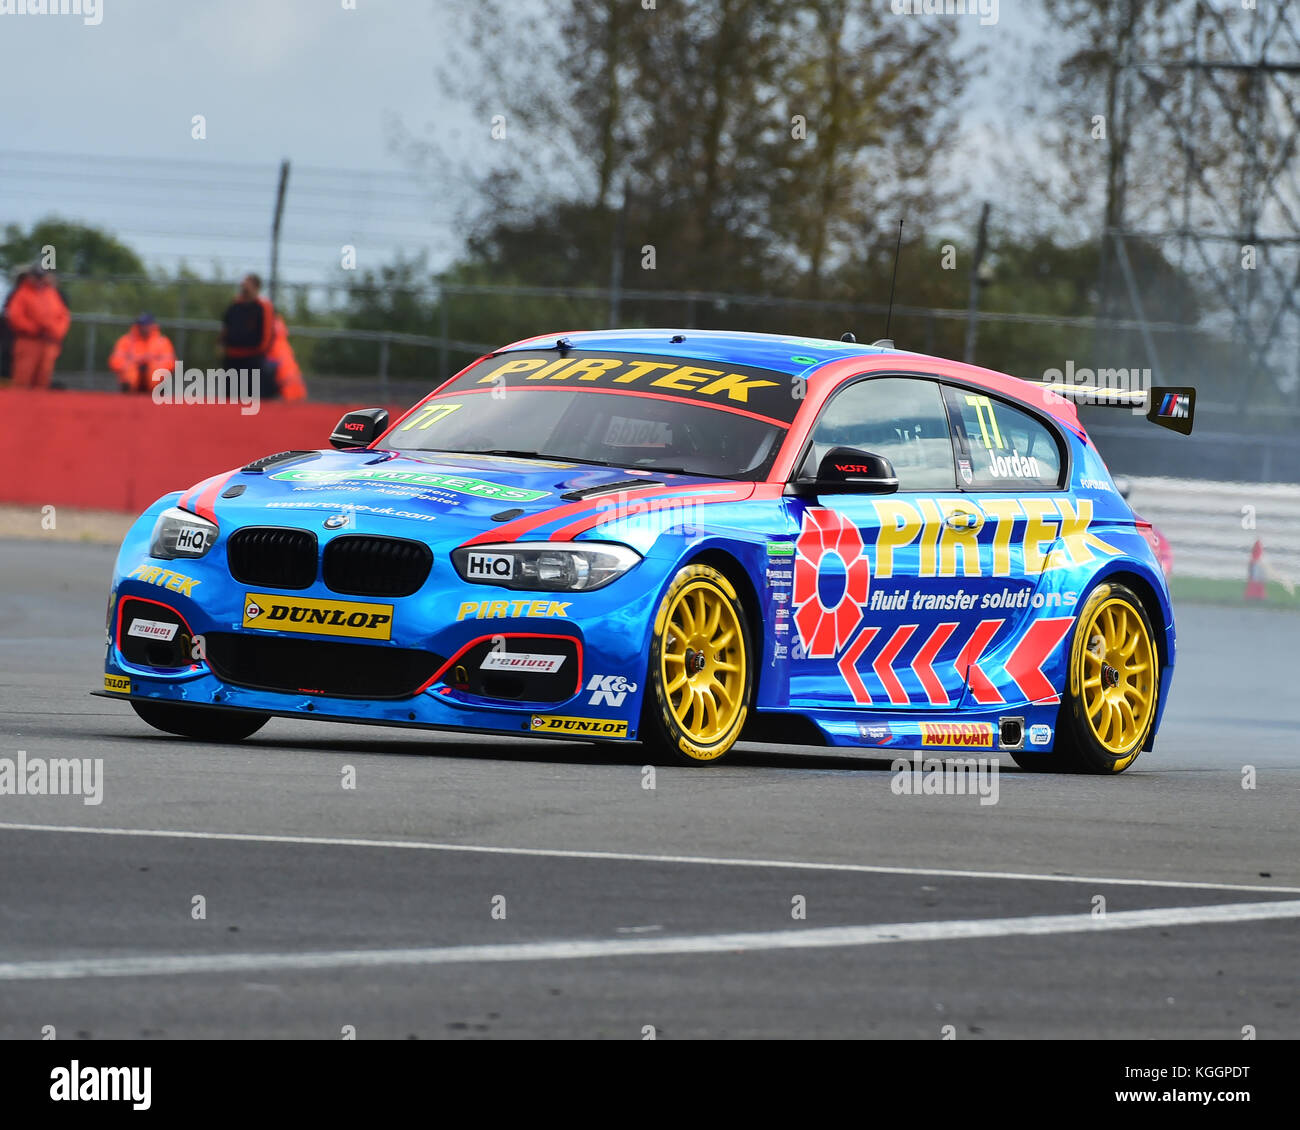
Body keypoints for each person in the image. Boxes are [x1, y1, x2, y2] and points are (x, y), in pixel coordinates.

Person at [5, 265, 70, 388]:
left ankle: (40, 406)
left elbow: (63, 316)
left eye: (41, 277)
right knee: (23, 379)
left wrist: (55, 331)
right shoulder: (22, 293)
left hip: (49, 342)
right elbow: (15, 317)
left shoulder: (52, 293)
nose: (39, 280)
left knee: (43, 379)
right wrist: (34, 328)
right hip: (28, 341)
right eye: (36, 277)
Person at [219, 273, 277, 398]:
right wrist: (222, 344)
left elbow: (267, 332)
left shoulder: (263, 306)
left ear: (255, 286)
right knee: (230, 398)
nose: (243, 286)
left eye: (247, 283)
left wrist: (261, 352)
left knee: (252, 399)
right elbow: (226, 327)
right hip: (232, 357)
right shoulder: (235, 305)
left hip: (253, 359)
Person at [108, 313, 177, 393]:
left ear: (152, 325)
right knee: (131, 369)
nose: (143, 327)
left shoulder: (162, 342)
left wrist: (151, 362)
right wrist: (135, 361)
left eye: (146, 324)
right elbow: (114, 361)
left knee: (154, 369)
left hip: (154, 385)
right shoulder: (126, 340)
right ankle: (127, 390)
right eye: (141, 325)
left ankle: (157, 390)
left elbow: (171, 363)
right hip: (132, 383)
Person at [266, 315, 307, 400]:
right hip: (284, 352)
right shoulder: (278, 321)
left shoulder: (271, 321)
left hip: (276, 352)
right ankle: (294, 393)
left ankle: (288, 393)